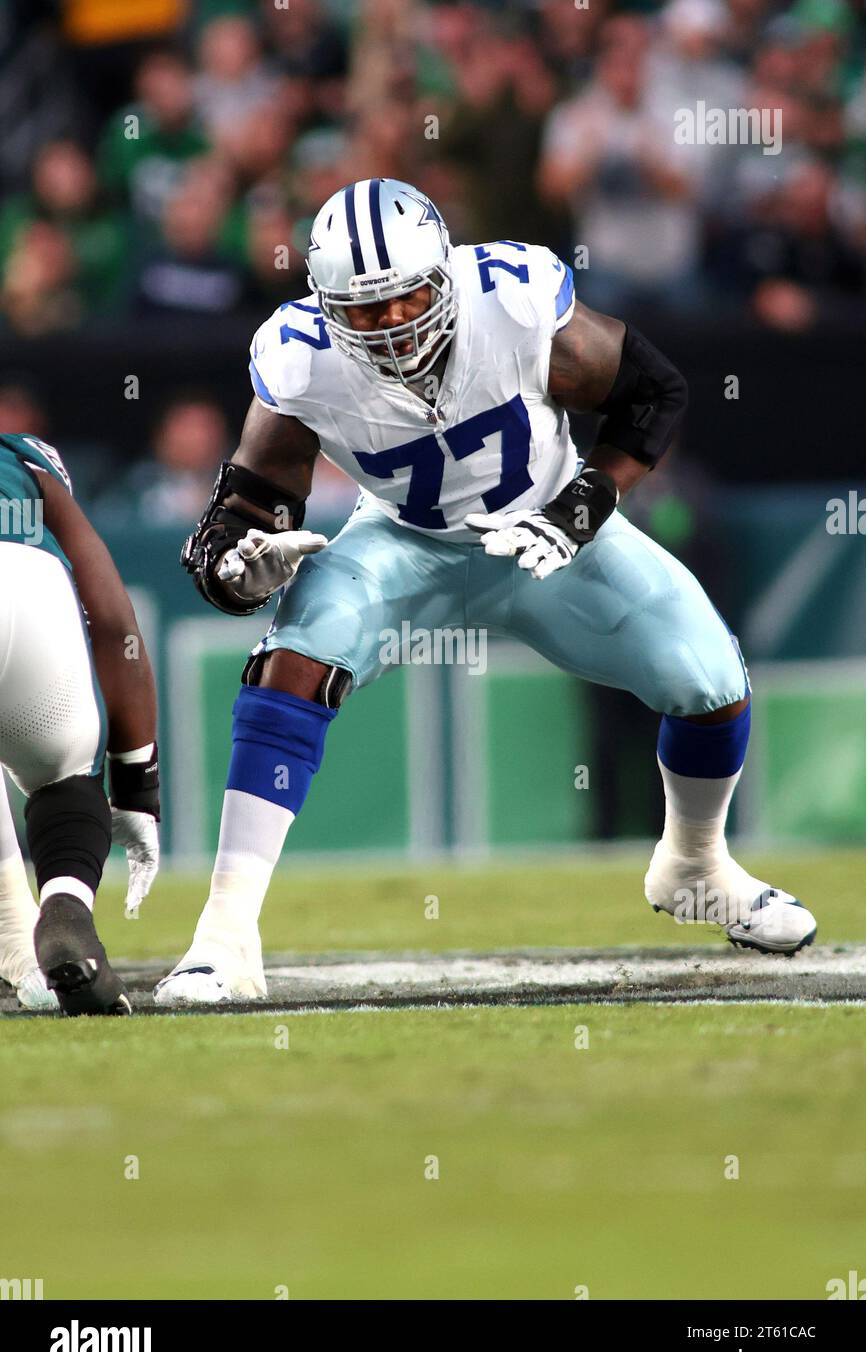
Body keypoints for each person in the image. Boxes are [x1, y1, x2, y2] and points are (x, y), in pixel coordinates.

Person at [157, 177, 816, 1007]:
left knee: (711, 682)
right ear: (327, 307)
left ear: (445, 275)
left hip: (546, 532)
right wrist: (233, 570)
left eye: (406, 301)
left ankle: (696, 863)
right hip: (404, 543)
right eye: (364, 312)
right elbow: (251, 505)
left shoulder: (512, 299)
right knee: (290, 661)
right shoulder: (300, 356)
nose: (392, 326)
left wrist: (581, 509)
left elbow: (654, 394)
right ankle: (224, 935)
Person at [0, 433, 159, 1015]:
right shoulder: (25, 458)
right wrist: (138, 782)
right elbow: (116, 622)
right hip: (32, 589)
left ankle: (15, 941)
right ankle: (66, 907)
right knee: (65, 776)